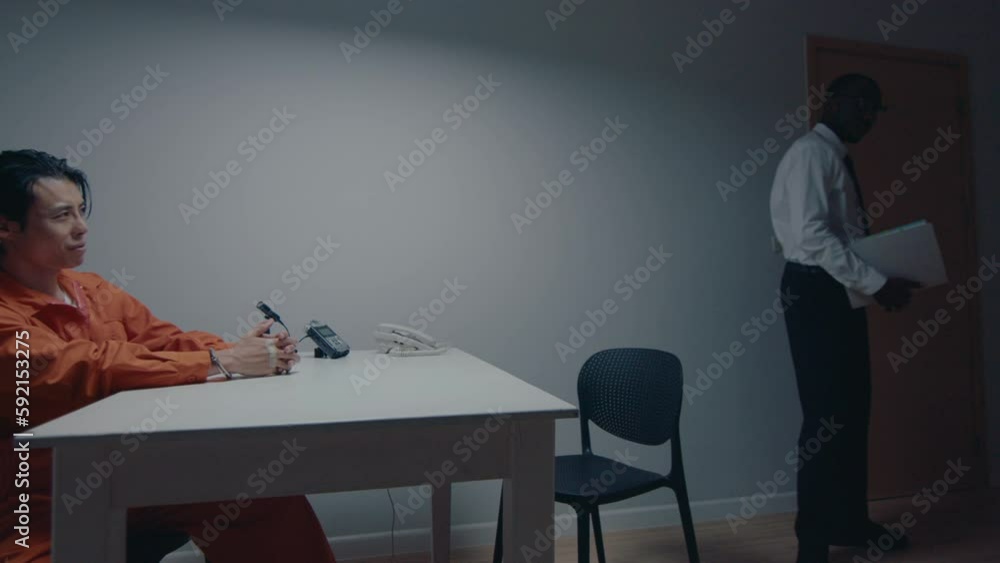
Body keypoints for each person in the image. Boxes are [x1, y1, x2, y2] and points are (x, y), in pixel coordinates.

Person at [0, 149, 336, 562]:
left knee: (264, 499)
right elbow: (85, 368)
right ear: (6, 226)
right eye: (61, 216)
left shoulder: (92, 289)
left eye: (82, 211)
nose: (82, 227)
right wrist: (225, 361)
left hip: (129, 475)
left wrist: (244, 351)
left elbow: (165, 342)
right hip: (32, 501)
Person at [770, 75, 920, 563]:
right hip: (817, 292)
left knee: (853, 413)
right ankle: (813, 543)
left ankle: (850, 522)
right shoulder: (813, 155)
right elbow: (813, 237)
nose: (869, 117)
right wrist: (876, 283)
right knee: (825, 419)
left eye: (876, 109)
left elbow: (827, 234)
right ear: (832, 102)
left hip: (835, 290)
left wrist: (874, 280)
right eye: (862, 105)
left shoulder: (831, 157)